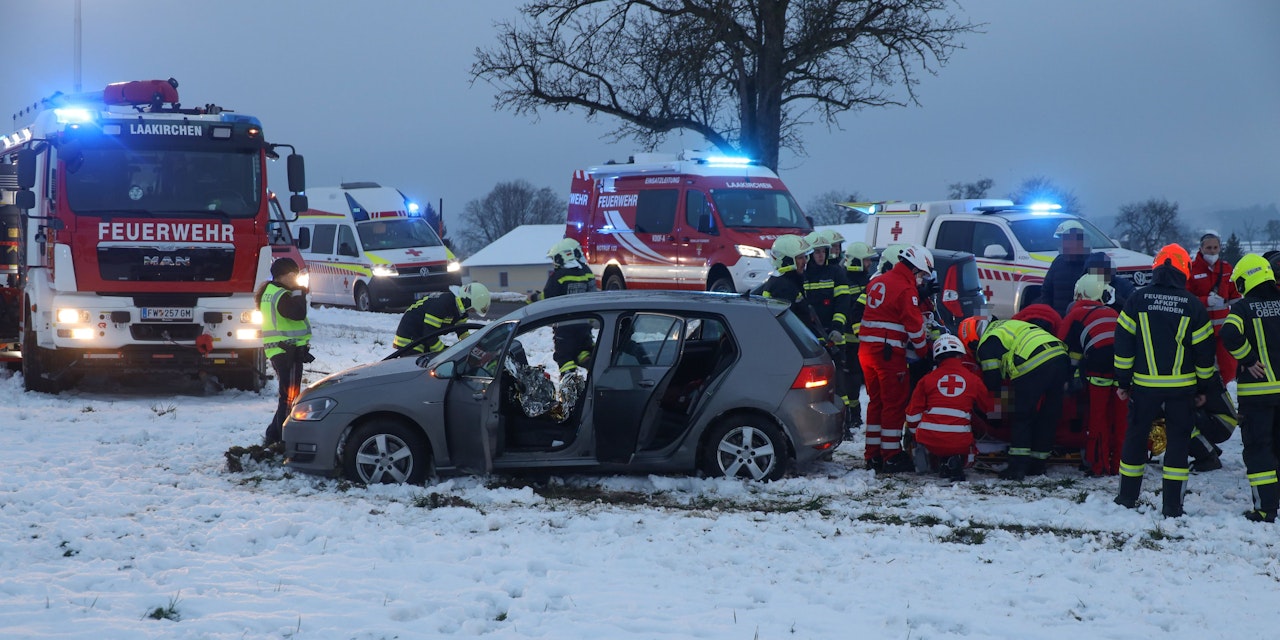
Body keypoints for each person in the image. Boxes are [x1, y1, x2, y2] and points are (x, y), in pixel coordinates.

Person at [1113, 244, 1215, 518]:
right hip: (1182, 389)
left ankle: (1126, 498)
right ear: (1185, 272)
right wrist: (1203, 387)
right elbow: (1205, 353)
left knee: (1135, 439)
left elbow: (1122, 343)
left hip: (1144, 387)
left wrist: (1123, 382)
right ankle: (1172, 506)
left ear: (1155, 268)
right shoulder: (1193, 305)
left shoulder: (1136, 300)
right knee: (1179, 444)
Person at [959, 316, 1069, 480]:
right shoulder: (1007, 325)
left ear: (971, 341)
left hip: (1033, 362)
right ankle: (1038, 464)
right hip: (1060, 356)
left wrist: (996, 404)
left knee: (1021, 416)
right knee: (1048, 416)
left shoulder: (986, 343)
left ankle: (1017, 468)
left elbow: (992, 381)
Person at [858, 244, 933, 472]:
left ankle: (873, 455)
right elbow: (914, 326)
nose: (921, 280)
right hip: (888, 354)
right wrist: (924, 352)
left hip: (867, 351)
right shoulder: (905, 289)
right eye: (921, 275)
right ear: (915, 269)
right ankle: (891, 456)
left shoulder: (878, 281)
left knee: (876, 403)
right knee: (894, 404)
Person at [1219, 254, 1280, 522]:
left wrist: (1248, 359)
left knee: (1258, 450)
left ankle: (1266, 509)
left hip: (1258, 394)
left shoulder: (1243, 309)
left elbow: (1228, 333)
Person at [1058, 275, 1125, 476]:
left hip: (1099, 369)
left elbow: (1064, 350)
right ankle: (1121, 466)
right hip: (1125, 368)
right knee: (1121, 419)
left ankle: (1098, 465)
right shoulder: (1112, 312)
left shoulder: (1075, 315)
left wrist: (1069, 379)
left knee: (1098, 417)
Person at [904, 334, 993, 481]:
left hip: (929, 440)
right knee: (968, 451)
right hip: (961, 442)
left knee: (926, 443)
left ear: (937, 358)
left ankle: (938, 460)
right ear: (961, 355)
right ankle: (955, 461)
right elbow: (989, 408)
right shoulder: (973, 380)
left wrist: (917, 437)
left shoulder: (926, 380)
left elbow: (912, 414)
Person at [257, 257, 312, 447]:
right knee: (289, 398)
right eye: (293, 275)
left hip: (282, 350)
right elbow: (298, 314)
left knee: (287, 397)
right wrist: (299, 292)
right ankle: (283, 440)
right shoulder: (281, 294)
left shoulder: (271, 292)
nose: (296, 278)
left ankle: (273, 435)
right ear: (283, 276)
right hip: (286, 351)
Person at [531, 238, 598, 373]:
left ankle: (571, 384)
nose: (555, 262)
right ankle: (585, 360)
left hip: (564, 326)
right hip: (584, 325)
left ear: (564, 256)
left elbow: (549, 297)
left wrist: (533, 298)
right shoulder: (587, 272)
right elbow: (593, 296)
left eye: (556, 258)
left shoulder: (559, 275)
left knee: (564, 358)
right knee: (583, 350)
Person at [1187, 233, 1241, 384]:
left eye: (1215, 247)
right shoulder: (1191, 269)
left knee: (1229, 367)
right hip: (1200, 330)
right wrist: (1206, 301)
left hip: (1223, 330)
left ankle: (1226, 393)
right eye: (1208, 248)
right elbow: (1185, 299)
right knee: (1203, 366)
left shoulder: (1227, 268)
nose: (1212, 251)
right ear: (1201, 248)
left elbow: (1234, 295)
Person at [841, 240, 878, 435]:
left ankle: (855, 417)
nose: (869, 264)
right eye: (866, 261)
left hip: (864, 341)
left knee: (860, 379)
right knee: (852, 381)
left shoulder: (867, 280)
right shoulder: (846, 282)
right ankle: (852, 416)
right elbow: (849, 312)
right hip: (850, 342)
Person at [394, 282, 491, 354]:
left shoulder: (461, 310)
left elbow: (462, 331)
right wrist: (444, 352)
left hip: (423, 336)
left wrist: (472, 346)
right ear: (467, 301)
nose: (471, 312)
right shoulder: (442, 305)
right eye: (472, 309)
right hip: (409, 338)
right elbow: (429, 333)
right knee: (416, 369)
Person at [762, 235, 820, 333]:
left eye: (805, 256)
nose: (805, 261)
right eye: (800, 258)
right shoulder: (782, 286)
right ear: (787, 261)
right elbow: (788, 325)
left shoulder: (788, 280)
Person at [1038, 220, 1091, 316]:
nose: (1064, 244)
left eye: (1067, 239)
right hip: (1059, 322)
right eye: (1063, 240)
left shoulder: (1091, 263)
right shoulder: (1058, 262)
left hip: (1082, 321)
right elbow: (1046, 291)